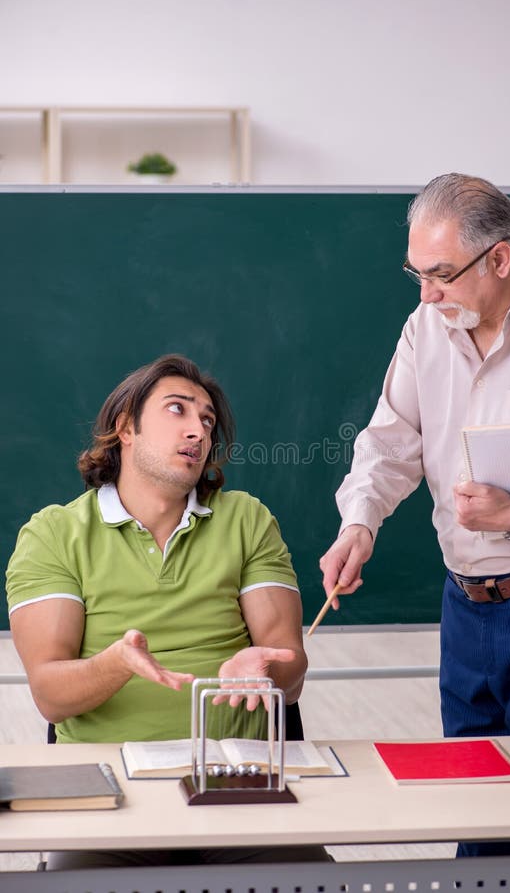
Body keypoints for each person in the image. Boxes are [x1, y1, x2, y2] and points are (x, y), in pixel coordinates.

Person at [319, 173, 510, 857]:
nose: (426, 294)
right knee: (474, 813)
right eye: (416, 274)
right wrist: (359, 523)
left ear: (499, 258)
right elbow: (388, 444)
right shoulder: (426, 327)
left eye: (440, 274)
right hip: (465, 608)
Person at [7, 353, 326, 867]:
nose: (198, 430)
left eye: (207, 420)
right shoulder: (54, 534)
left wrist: (267, 669)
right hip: (109, 794)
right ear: (125, 428)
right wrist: (116, 663)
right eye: (177, 409)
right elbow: (50, 695)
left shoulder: (247, 519)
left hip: (238, 787)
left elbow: (290, 672)